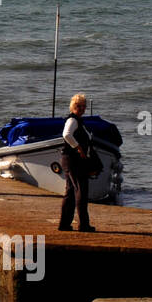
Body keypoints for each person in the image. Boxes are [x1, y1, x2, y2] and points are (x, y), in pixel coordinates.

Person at [59, 93, 98, 232]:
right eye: (78, 106)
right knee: (81, 190)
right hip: (73, 160)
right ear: (72, 107)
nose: (81, 109)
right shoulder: (73, 120)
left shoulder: (78, 121)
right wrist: (78, 148)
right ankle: (83, 225)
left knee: (70, 191)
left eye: (83, 106)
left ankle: (64, 224)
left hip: (70, 160)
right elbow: (66, 134)